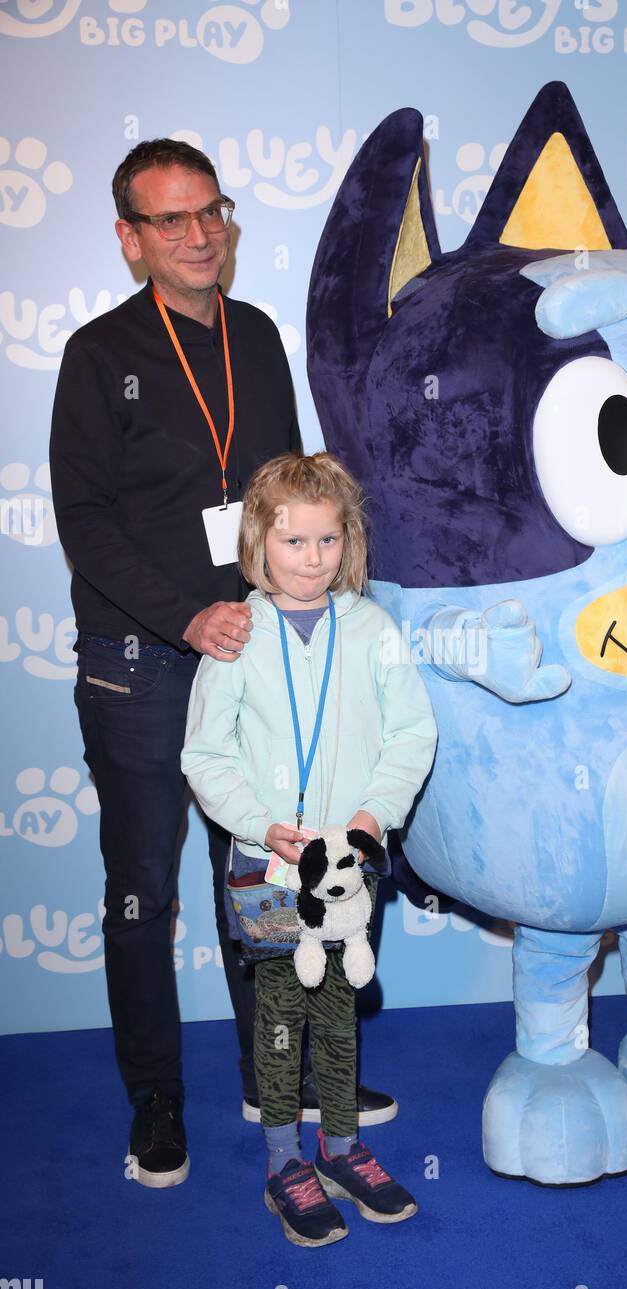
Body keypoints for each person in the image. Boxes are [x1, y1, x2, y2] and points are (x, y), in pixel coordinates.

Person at [48, 138, 396, 1192]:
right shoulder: (99, 355)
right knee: (142, 890)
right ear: (130, 239)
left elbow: (285, 496)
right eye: (170, 219)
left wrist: (304, 606)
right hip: (141, 659)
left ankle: (272, 1075)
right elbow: (85, 525)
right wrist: (185, 617)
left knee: (262, 867)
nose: (198, 233)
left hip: (248, 646)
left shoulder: (254, 335)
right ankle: (157, 1102)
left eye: (211, 211)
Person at [181, 451, 438, 1246]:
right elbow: (206, 757)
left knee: (340, 1013)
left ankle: (344, 1149)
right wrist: (260, 825)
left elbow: (412, 731)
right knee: (282, 1019)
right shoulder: (236, 636)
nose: (312, 559)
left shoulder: (373, 628)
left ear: (348, 542)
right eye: (294, 543)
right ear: (259, 543)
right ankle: (284, 1161)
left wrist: (371, 816)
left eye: (328, 541)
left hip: (347, 867)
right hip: (268, 865)